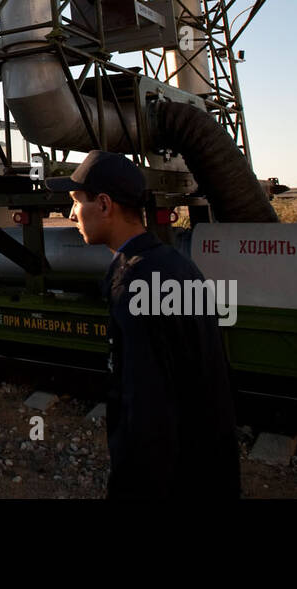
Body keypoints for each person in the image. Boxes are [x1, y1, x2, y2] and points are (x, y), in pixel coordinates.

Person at [47, 151, 240, 499]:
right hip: (209, 473)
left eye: (77, 202)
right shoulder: (176, 266)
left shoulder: (136, 285)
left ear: (104, 205)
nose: (72, 214)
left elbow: (147, 411)